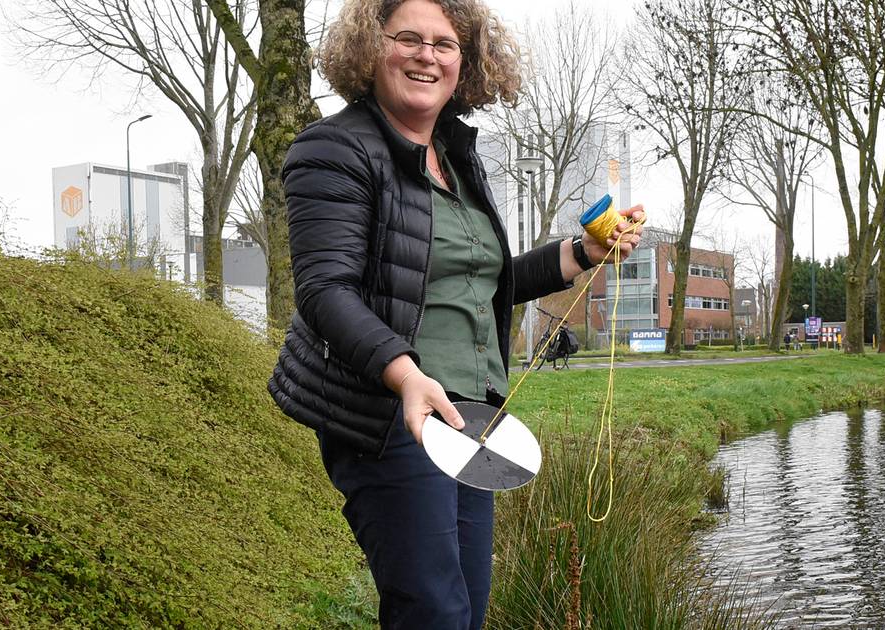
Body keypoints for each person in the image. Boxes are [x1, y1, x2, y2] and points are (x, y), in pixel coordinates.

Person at [265, 1, 647, 628]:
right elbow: (326, 291)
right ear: (370, 46)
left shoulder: (456, 155)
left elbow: (483, 280)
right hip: (390, 417)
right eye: (408, 38)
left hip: (472, 417)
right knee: (432, 612)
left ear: (465, 60)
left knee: (467, 609)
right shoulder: (331, 150)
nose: (427, 55)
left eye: (445, 44)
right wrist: (406, 374)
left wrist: (584, 252)